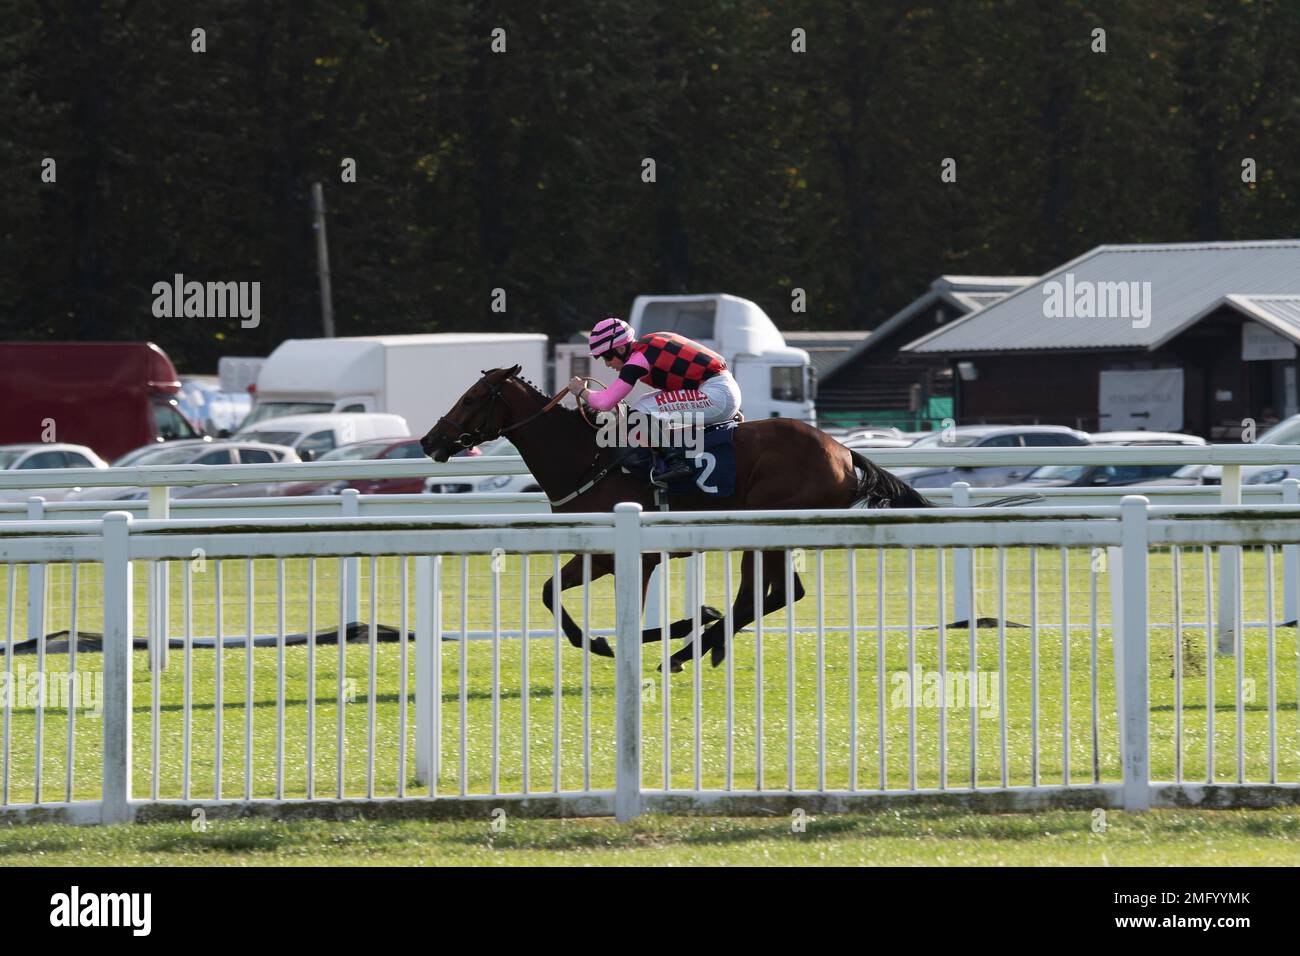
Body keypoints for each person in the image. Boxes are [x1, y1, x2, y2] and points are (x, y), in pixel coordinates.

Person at [566, 316, 741, 482]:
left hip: (717, 394)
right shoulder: (649, 344)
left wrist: (581, 391)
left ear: (620, 349)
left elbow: (605, 403)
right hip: (721, 389)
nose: (607, 364)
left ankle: (676, 463)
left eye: (607, 356)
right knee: (642, 405)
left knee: (641, 411)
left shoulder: (638, 359)